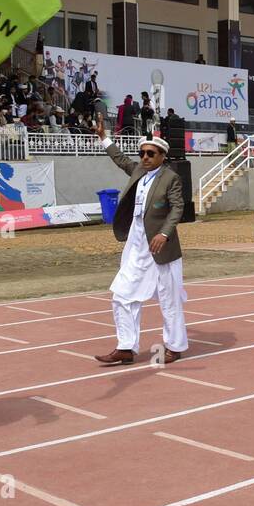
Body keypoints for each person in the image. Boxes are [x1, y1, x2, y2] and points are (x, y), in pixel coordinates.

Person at [93, 127, 187, 365]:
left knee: (169, 298)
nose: (145, 157)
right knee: (122, 294)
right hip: (136, 244)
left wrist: (164, 233)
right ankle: (126, 347)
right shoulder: (137, 170)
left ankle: (174, 347)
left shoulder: (170, 178)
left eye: (150, 154)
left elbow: (177, 208)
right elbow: (119, 159)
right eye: (143, 153)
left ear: (162, 156)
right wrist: (104, 138)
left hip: (161, 247)